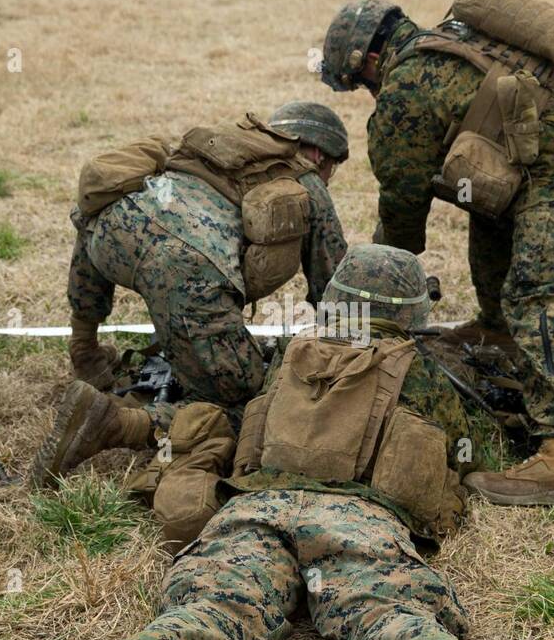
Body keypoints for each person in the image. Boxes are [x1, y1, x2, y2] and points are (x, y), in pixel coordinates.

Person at [65, 245, 502, 640]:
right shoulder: (420, 372)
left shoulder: (289, 355)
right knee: (382, 603)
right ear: (414, 311)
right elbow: (463, 454)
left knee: (217, 601)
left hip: (258, 506)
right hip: (357, 516)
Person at [320, 0, 554, 507]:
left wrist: (382, 288)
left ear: (371, 59)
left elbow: (401, 198)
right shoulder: (451, 45)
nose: (369, 93)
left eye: (361, 84)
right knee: (487, 206)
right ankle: (497, 331)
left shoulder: (409, 84)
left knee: (539, 296)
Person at [32, 103, 348, 487]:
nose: (328, 175)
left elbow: (98, 209)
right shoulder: (307, 181)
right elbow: (334, 289)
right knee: (240, 405)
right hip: (185, 271)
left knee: (103, 220)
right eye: (332, 166)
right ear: (317, 152)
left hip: (110, 231)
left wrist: (87, 344)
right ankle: (112, 422)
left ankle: (85, 352)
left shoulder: (223, 144)